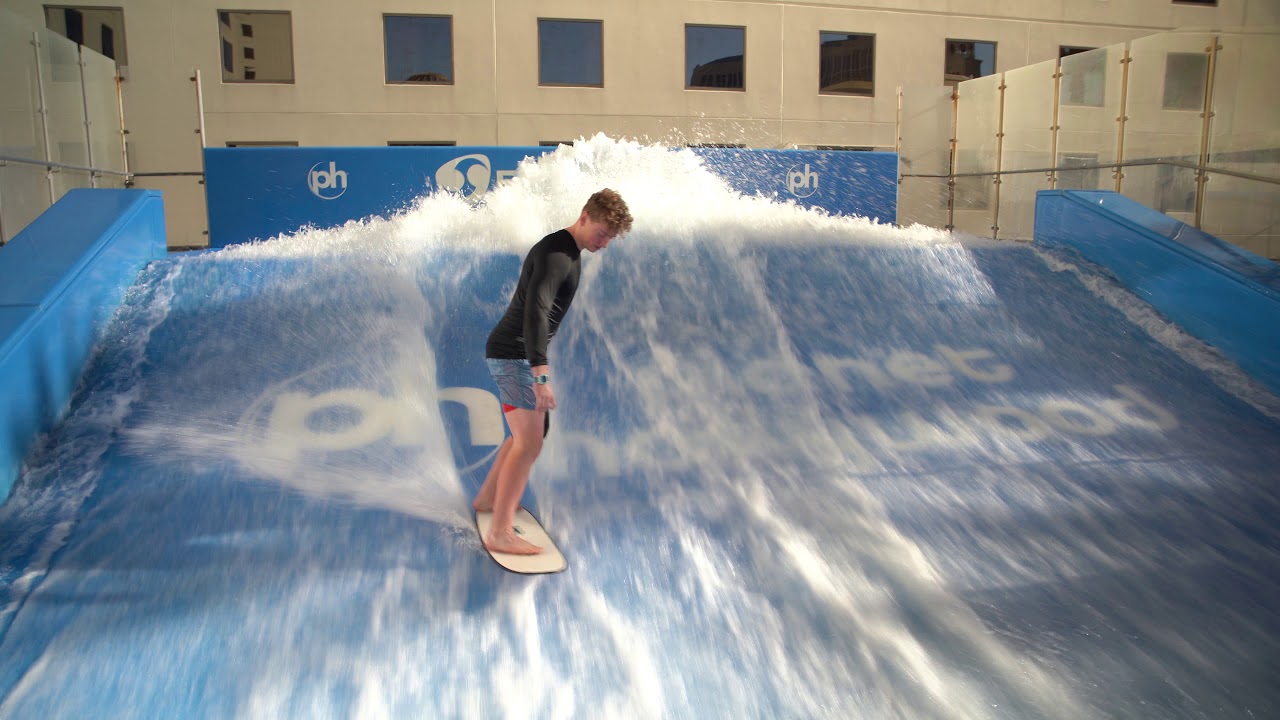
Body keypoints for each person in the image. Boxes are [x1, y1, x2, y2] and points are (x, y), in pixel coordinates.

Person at [473, 189, 634, 555]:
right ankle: (499, 532)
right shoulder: (557, 256)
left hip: (514, 353)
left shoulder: (565, 251)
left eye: (610, 237)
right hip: (513, 355)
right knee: (529, 443)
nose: (605, 243)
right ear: (584, 216)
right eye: (602, 233)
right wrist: (541, 376)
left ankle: (486, 501)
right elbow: (536, 313)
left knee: (528, 435)